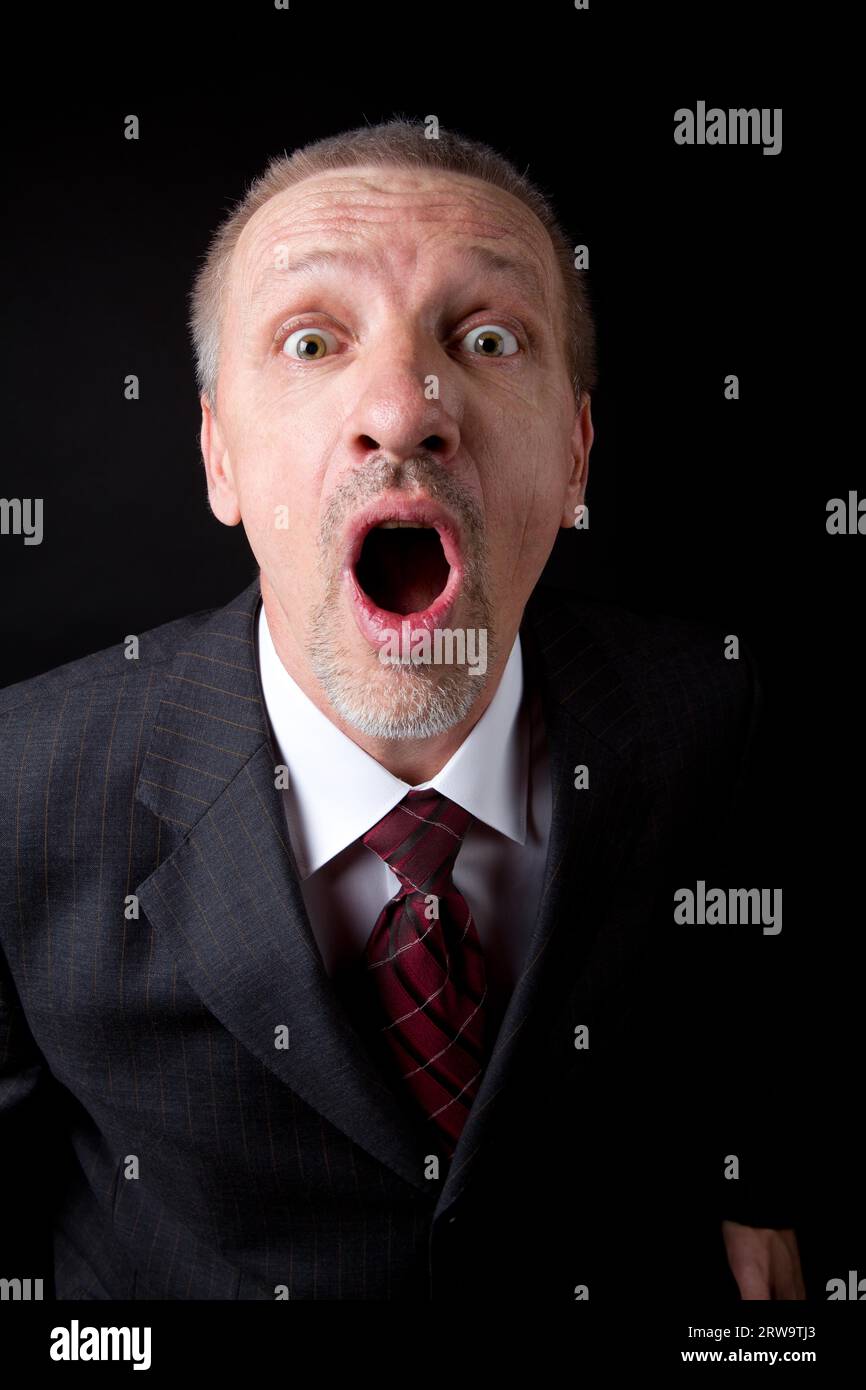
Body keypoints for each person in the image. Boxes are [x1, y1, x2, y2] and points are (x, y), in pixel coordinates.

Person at [0, 118, 804, 1301]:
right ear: (218, 454)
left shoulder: (708, 707)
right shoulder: (18, 784)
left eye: (485, 336)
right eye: (313, 339)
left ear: (576, 459)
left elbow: (748, 989)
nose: (403, 405)